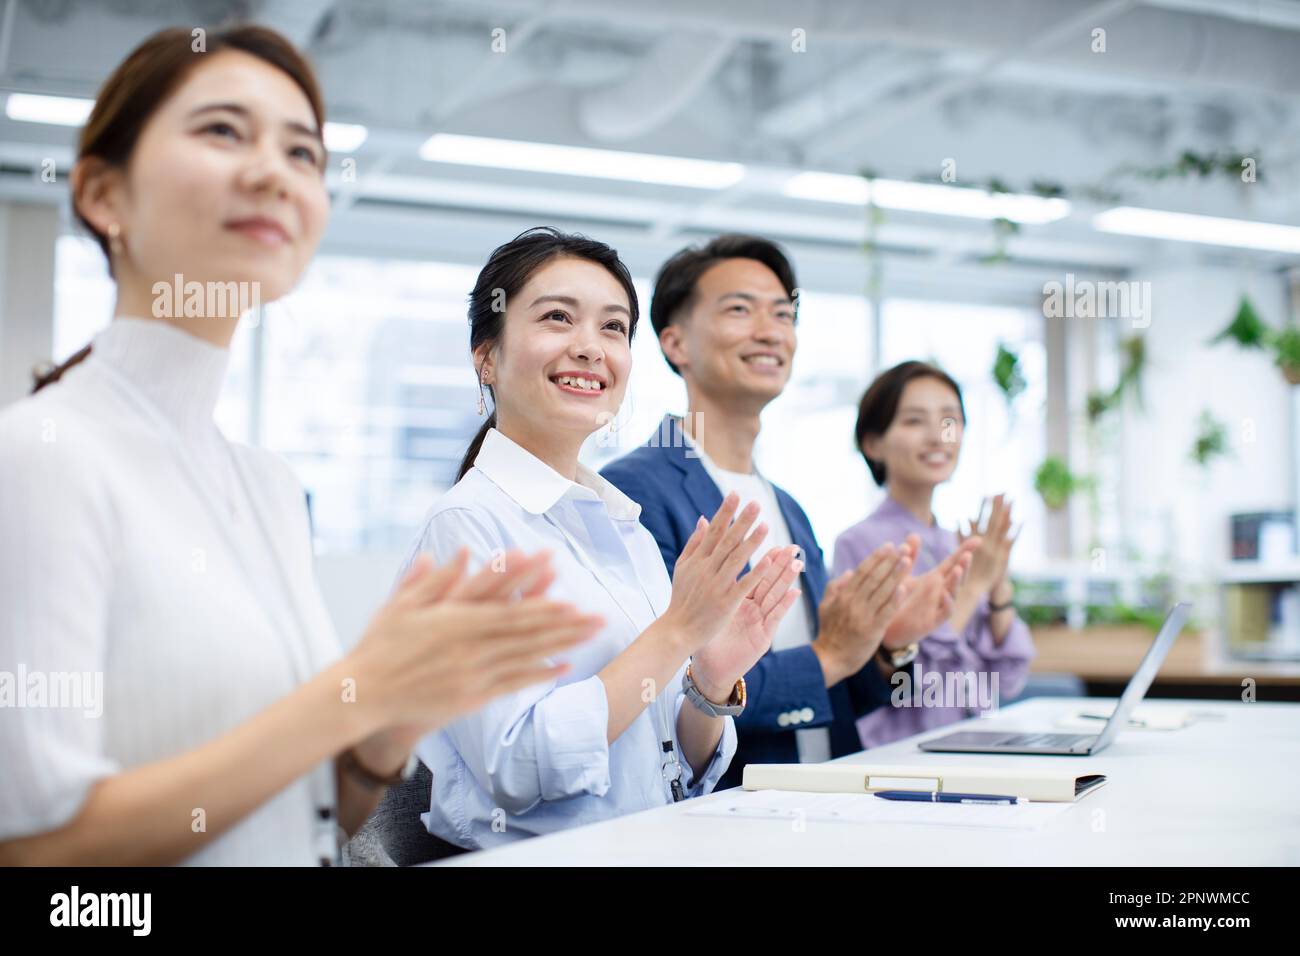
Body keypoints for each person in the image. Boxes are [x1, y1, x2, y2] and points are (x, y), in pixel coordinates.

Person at [0, 25, 598, 866]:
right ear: (102, 194)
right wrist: (348, 695)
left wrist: (394, 720)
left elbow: (318, 815)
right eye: (222, 131)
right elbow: (37, 852)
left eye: (303, 153)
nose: (272, 172)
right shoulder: (40, 458)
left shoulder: (267, 485)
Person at [405, 227, 805, 849]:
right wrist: (675, 633)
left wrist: (710, 680)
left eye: (613, 327)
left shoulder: (625, 529)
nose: (591, 347)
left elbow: (677, 774)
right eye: (558, 318)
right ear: (487, 355)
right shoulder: (466, 528)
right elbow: (518, 769)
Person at [601, 234, 973, 788]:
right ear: (676, 344)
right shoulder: (631, 495)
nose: (771, 330)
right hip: (735, 814)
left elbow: (838, 691)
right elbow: (662, 698)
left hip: (838, 798)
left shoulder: (789, 507)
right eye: (739, 310)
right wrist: (828, 654)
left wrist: (887, 640)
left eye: (783, 314)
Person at [833, 360, 1036, 748]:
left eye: (949, 421)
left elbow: (1008, 678)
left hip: (971, 748)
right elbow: (910, 688)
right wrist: (974, 585)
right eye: (913, 421)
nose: (938, 437)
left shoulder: (953, 543)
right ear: (873, 443)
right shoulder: (859, 544)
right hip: (900, 760)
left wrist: (997, 585)